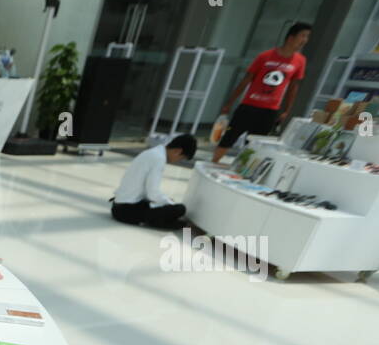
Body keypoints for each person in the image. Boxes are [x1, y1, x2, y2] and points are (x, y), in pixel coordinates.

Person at [213, 22, 311, 162]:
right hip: (249, 106)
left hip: (269, 111)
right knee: (230, 136)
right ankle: (214, 161)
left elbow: (293, 87)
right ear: (290, 37)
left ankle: (242, 169)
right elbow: (246, 80)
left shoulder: (300, 61)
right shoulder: (265, 56)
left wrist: (287, 110)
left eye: (307, 37)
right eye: (303, 36)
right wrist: (229, 103)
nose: (305, 40)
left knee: (255, 144)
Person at [111, 134, 196, 229]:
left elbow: (148, 192)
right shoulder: (159, 159)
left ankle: (160, 220)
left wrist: (166, 202)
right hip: (126, 212)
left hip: (118, 206)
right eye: (181, 158)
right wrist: (169, 203)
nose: (177, 161)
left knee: (168, 204)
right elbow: (153, 193)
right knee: (180, 209)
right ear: (178, 151)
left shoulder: (154, 152)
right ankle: (157, 221)